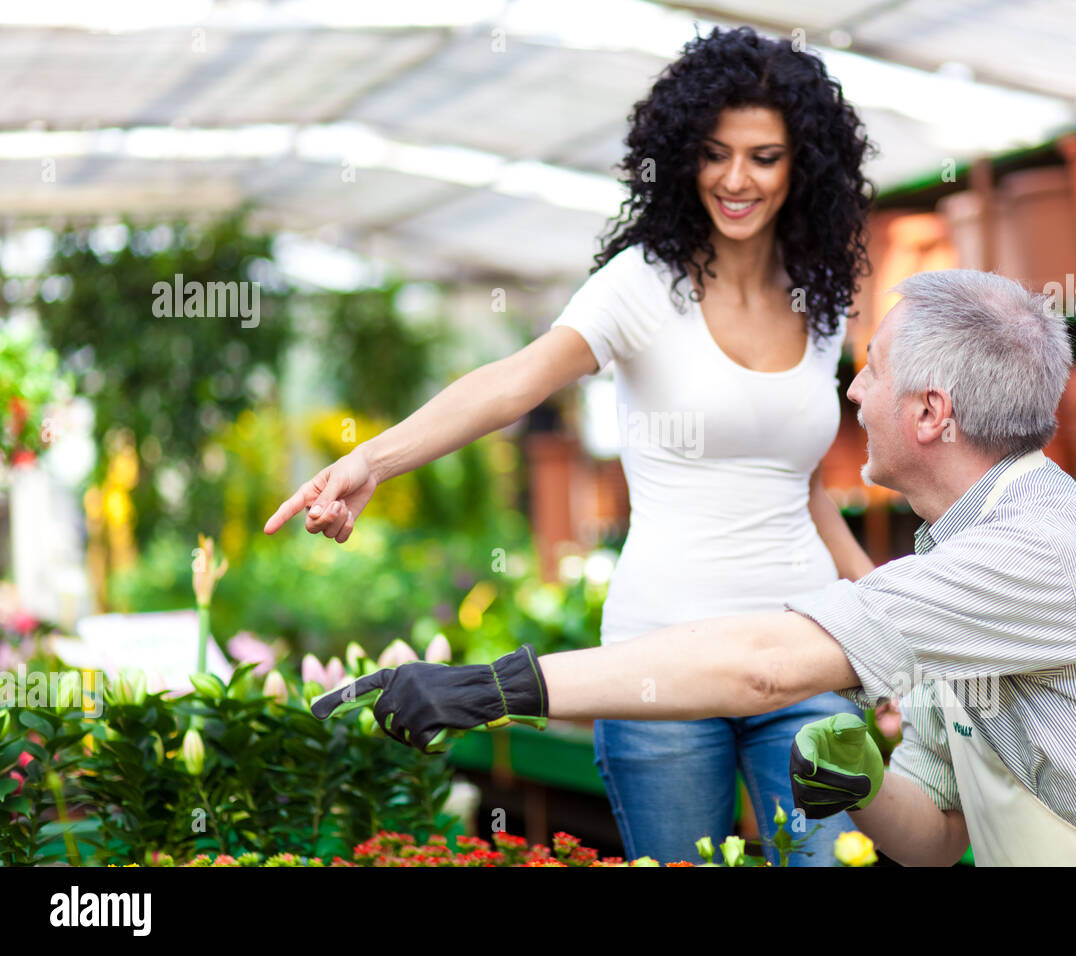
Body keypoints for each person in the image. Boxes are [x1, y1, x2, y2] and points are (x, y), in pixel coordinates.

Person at [314, 268, 1076, 867]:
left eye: (870, 365)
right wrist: (860, 782)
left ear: (930, 413)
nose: (849, 388)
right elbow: (934, 837)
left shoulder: (1042, 546)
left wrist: (496, 685)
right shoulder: (956, 560)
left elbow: (766, 661)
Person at [265, 25, 878, 866]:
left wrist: (889, 615)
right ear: (681, 153)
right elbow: (514, 383)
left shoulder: (821, 300)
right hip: (658, 667)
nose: (737, 179)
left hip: (806, 662)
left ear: (804, 165)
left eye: (764, 157)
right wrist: (372, 458)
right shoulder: (642, 284)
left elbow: (799, 486)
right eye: (714, 152)